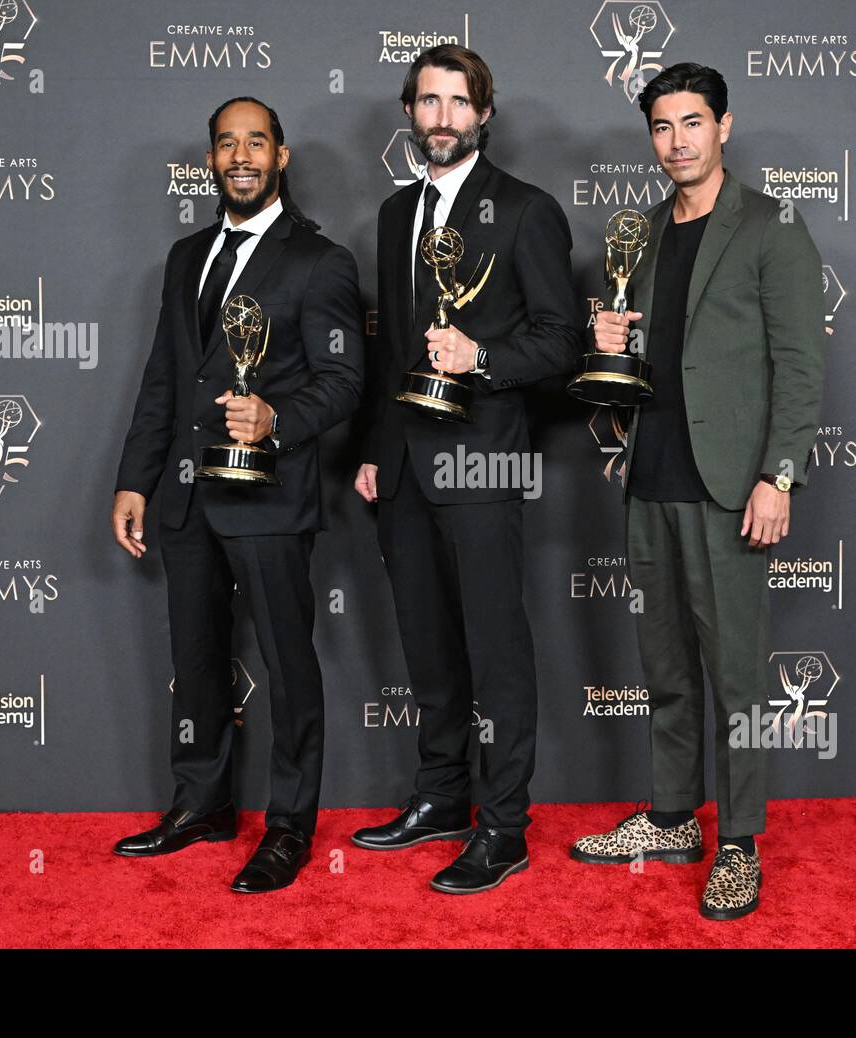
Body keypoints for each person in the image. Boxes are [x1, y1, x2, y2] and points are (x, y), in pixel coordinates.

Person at [569, 64, 825, 920]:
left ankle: (740, 843)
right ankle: (674, 819)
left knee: (739, 680)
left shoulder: (770, 226)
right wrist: (608, 341)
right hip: (649, 481)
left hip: (730, 489)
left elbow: (799, 364)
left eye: (692, 123)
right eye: (662, 127)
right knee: (667, 671)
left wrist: (777, 475)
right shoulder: (639, 234)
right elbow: (642, 368)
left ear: (724, 126)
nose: (677, 141)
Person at [110, 96, 364, 894]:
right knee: (195, 660)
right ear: (211, 160)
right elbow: (164, 380)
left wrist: (277, 418)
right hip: (185, 501)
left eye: (258, 142)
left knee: (288, 666)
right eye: (227, 144)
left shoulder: (320, 261)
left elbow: (345, 381)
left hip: (270, 498)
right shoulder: (186, 258)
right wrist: (133, 480)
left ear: (281, 157)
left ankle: (288, 828)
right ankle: (203, 804)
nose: (242, 156)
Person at [352, 45, 583, 894]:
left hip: (483, 460)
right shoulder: (392, 214)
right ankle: (442, 796)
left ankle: (506, 827)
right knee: (428, 645)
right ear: (409, 113)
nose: (441, 117)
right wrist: (379, 453)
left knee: (495, 648)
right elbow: (388, 360)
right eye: (427, 101)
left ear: (485, 113)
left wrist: (480, 354)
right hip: (406, 469)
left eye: (457, 102)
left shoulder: (526, 211)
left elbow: (560, 344)